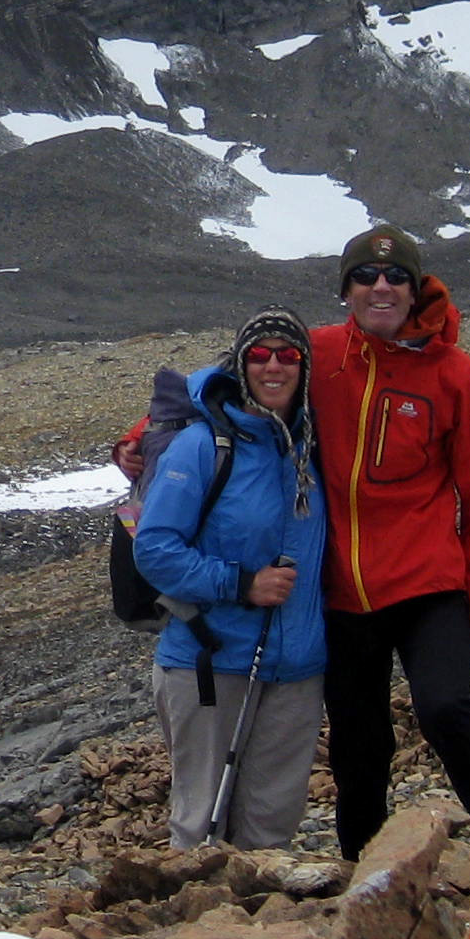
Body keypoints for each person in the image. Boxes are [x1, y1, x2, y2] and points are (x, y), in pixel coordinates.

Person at [308, 225, 470, 868]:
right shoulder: (319, 354)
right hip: (343, 594)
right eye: (365, 277)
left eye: (396, 276)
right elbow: (229, 384)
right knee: (358, 741)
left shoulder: (455, 375)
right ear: (346, 290)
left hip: (429, 585)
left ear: (415, 289)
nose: (381, 287)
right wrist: (145, 432)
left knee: (444, 708)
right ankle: (366, 878)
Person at [129, 309, 329, 851]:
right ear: (240, 364)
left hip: (297, 670)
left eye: (287, 354)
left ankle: (259, 932)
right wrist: (240, 585)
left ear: (304, 366)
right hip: (210, 662)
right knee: (200, 830)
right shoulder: (203, 447)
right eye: (259, 354)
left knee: (270, 831)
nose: (273, 366)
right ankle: (197, 932)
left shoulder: (315, 449)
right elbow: (155, 549)